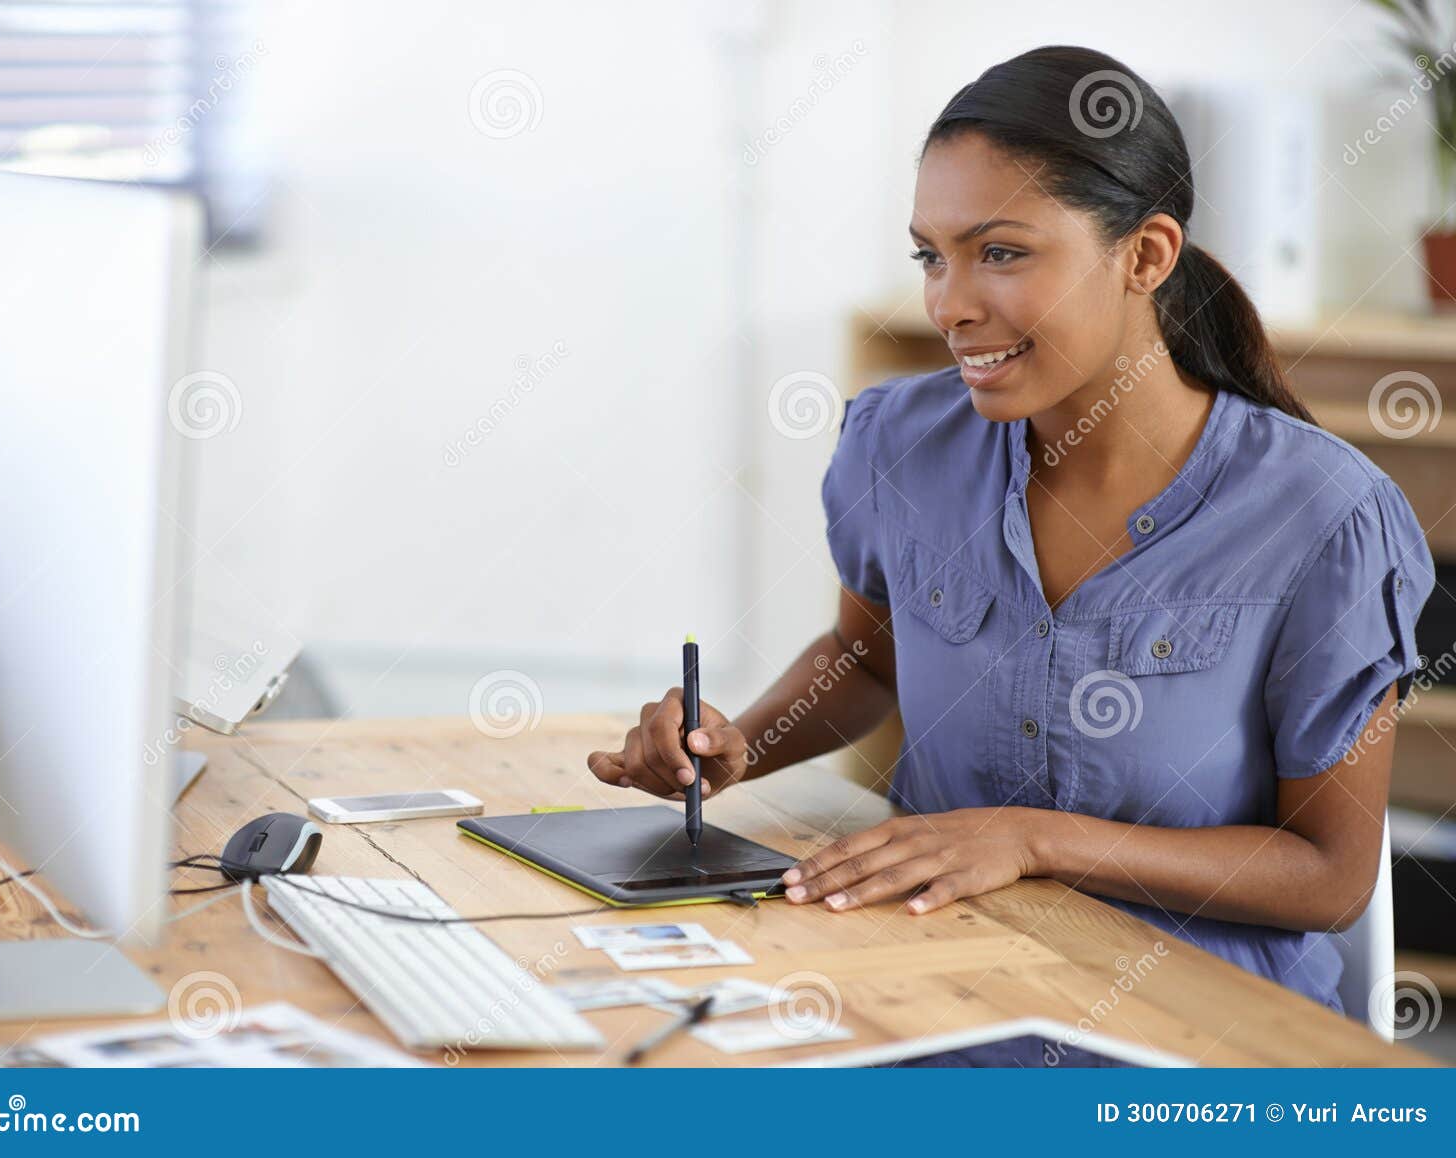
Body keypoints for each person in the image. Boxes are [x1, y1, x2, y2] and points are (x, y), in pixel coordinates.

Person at [586, 45, 1436, 1013]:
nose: (949, 305)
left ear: (1145, 257)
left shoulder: (1324, 517)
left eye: (999, 253)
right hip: (932, 982)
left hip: (1196, 1026)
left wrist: (1031, 839)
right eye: (930, 256)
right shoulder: (900, 444)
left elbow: (1328, 874)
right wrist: (736, 742)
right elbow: (866, 661)